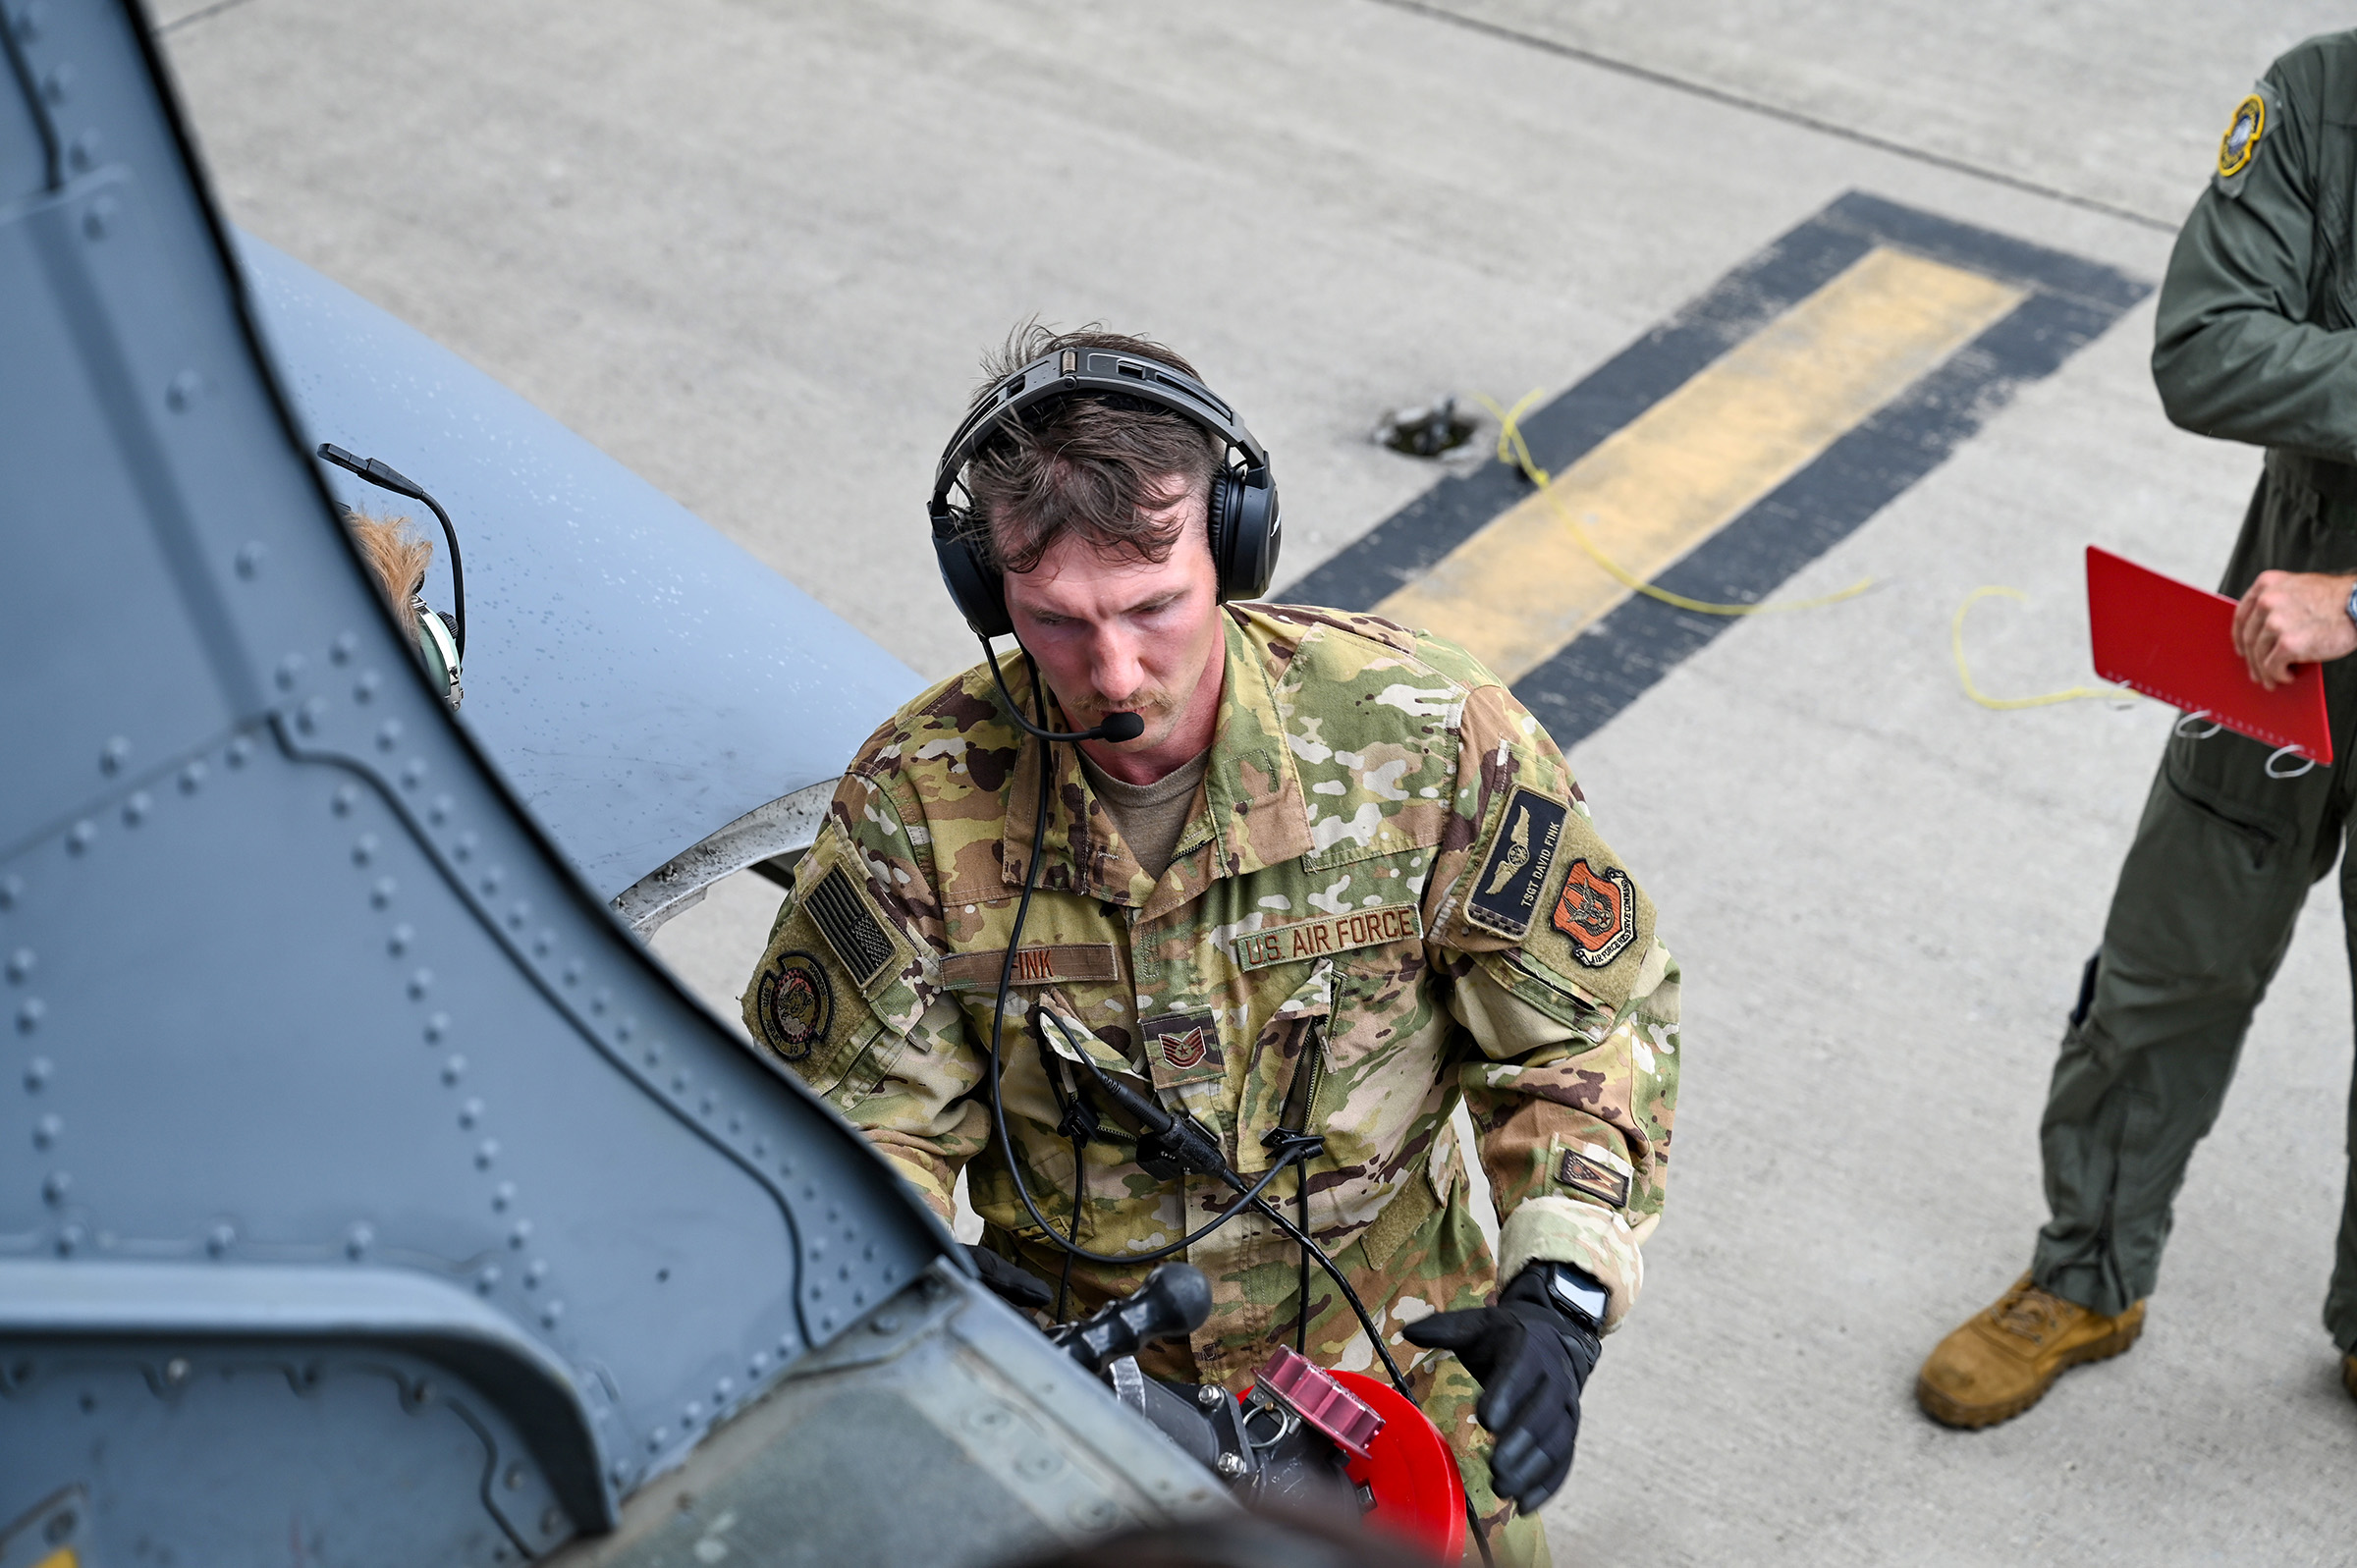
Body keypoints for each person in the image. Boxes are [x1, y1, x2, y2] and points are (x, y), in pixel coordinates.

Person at [741, 326, 1682, 1563]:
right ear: (988, 593)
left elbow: (1588, 1036)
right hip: (1089, 1403)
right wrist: (911, 1277)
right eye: (1056, 623)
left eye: (1154, 606)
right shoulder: (917, 808)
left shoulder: (1427, 741)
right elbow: (852, 1123)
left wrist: (1556, 1298)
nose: (1113, 672)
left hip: (1399, 1380)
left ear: (1234, 546)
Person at [1917, 31, 2357, 1430]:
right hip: (2271, 639)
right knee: (2165, 970)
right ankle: (2087, 1272)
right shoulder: (2322, 96)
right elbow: (2209, 350)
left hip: (2323, 605)